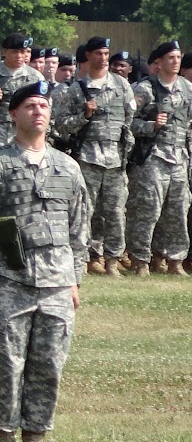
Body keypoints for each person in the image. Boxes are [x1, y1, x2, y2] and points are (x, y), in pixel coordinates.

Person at [0, 80, 86, 442]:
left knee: (48, 366)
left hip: (56, 285)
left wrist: (75, 279)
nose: (38, 112)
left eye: (44, 106)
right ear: (13, 114)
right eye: (30, 106)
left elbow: (79, 231)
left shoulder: (68, 168)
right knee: (8, 366)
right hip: (8, 282)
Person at [52, 36, 134, 276]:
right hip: (87, 158)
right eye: (99, 53)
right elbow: (62, 125)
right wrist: (84, 117)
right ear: (88, 56)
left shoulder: (121, 86)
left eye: (107, 53)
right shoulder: (76, 89)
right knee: (85, 211)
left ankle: (113, 259)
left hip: (115, 160)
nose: (104, 58)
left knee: (116, 212)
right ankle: (87, 257)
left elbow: (129, 118)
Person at [123, 40, 192, 275]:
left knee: (178, 209)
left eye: (178, 58)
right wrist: (150, 126)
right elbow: (127, 122)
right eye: (171, 58)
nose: (175, 62)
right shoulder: (145, 89)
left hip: (179, 157)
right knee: (147, 209)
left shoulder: (187, 89)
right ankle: (140, 259)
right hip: (152, 157)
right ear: (159, 62)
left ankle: (174, 259)